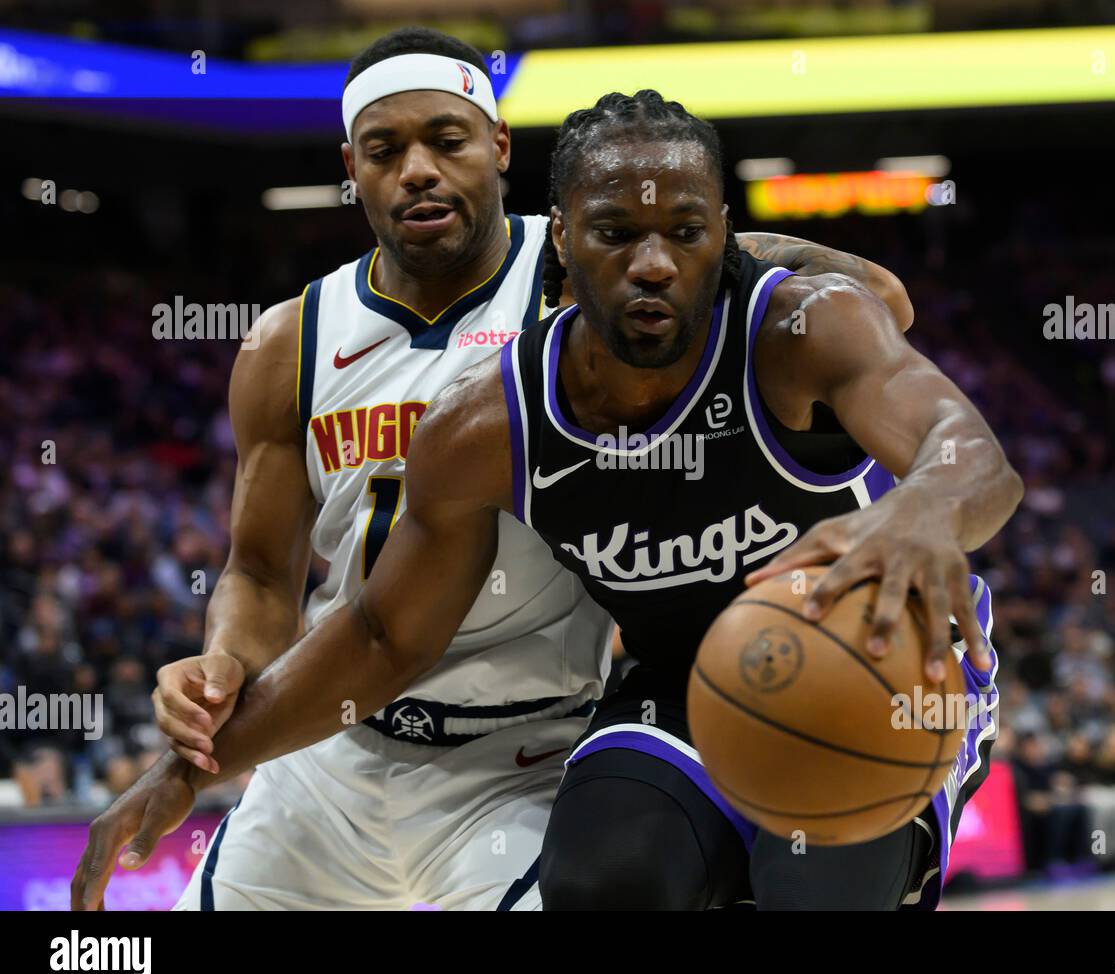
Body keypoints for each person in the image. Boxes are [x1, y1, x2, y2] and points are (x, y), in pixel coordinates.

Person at [73, 31, 915, 911]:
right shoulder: (289, 340)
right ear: (350, 168)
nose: (419, 171)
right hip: (329, 752)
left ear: (500, 147)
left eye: (447, 140)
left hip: (522, 759)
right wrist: (220, 680)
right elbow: (257, 572)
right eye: (385, 150)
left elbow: (879, 300)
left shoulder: (592, 270)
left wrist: (727, 254)